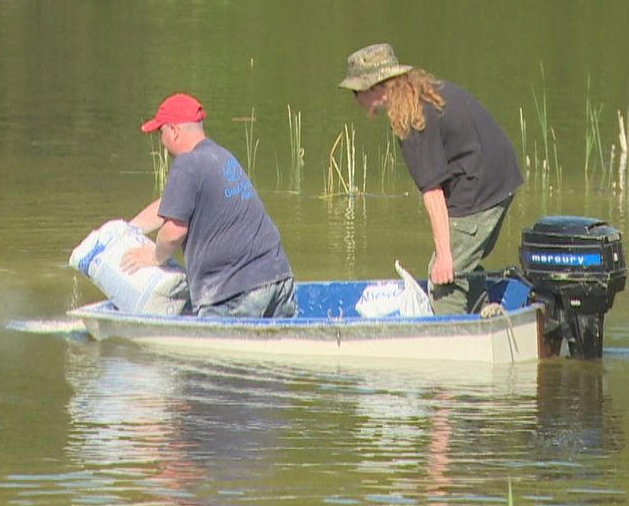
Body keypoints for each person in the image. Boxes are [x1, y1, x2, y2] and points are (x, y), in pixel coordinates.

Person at [338, 43, 523, 315]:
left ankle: (457, 336)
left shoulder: (410, 117)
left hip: (480, 186)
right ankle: (484, 317)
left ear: (375, 87)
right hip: (500, 176)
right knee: (459, 266)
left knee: (443, 280)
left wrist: (445, 255)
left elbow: (433, 191)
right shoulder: (421, 91)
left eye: (357, 91)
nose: (356, 99)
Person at [120, 92, 296, 318]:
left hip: (235, 293)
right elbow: (171, 205)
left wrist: (153, 257)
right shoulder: (220, 157)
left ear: (173, 131)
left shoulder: (187, 164)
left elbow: (173, 232)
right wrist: (128, 229)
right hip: (278, 278)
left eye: (160, 132)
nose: (161, 141)